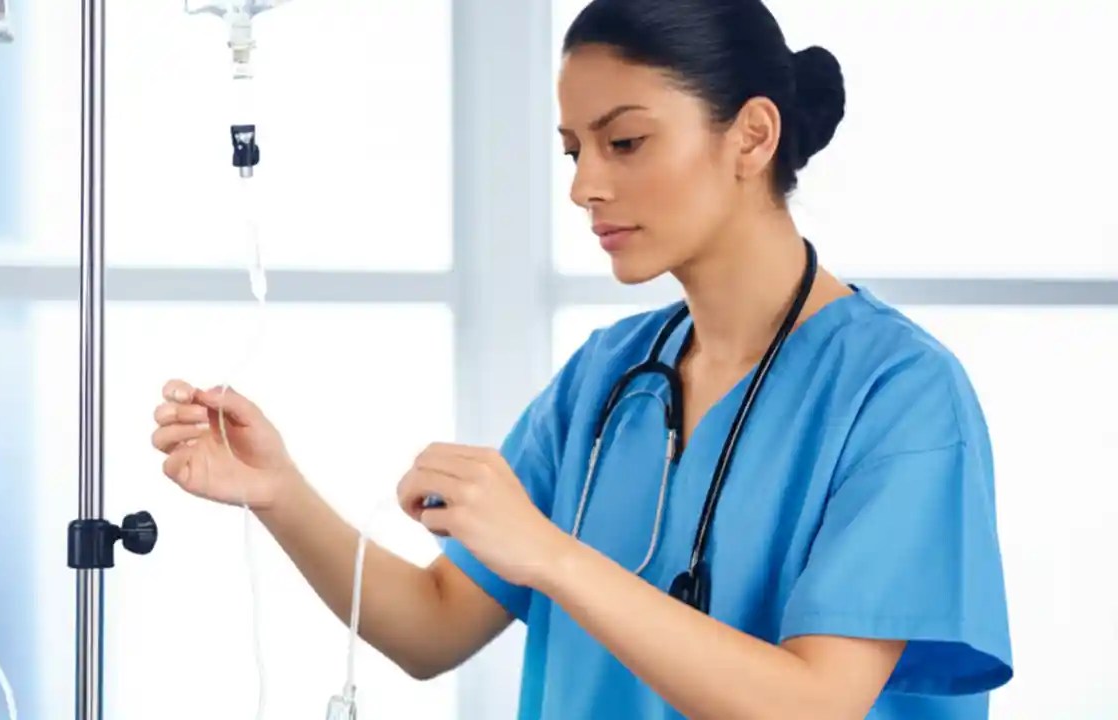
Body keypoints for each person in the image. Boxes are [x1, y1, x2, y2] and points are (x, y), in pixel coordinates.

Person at [150, 0, 1014, 717]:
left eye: (624, 142)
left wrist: (552, 555)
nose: (583, 185)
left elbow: (815, 705)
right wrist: (280, 493)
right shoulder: (609, 381)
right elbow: (432, 628)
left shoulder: (899, 394)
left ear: (751, 137)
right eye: (573, 150)